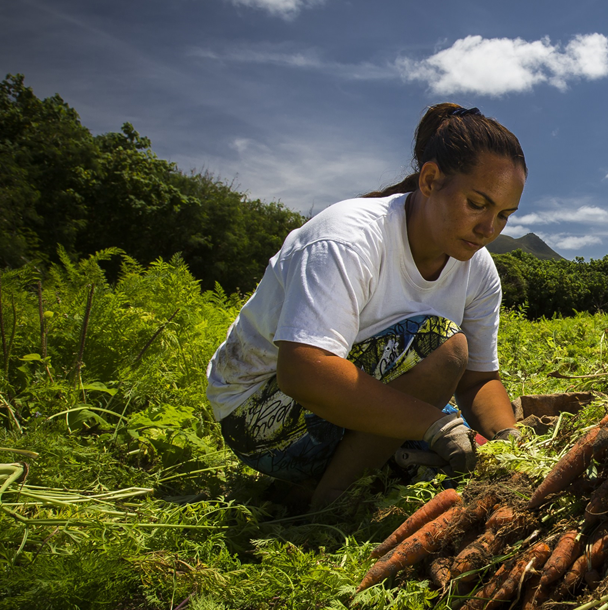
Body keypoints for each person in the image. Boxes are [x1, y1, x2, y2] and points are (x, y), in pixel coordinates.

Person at [205, 103, 524, 509]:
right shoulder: (347, 237)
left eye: (504, 215)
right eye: (477, 204)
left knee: (461, 459)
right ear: (430, 180)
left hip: (348, 401)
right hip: (260, 415)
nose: (489, 229)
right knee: (444, 349)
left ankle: (313, 483)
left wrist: (508, 442)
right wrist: (431, 423)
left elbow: (478, 381)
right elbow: (303, 371)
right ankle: (331, 503)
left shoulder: (478, 270)